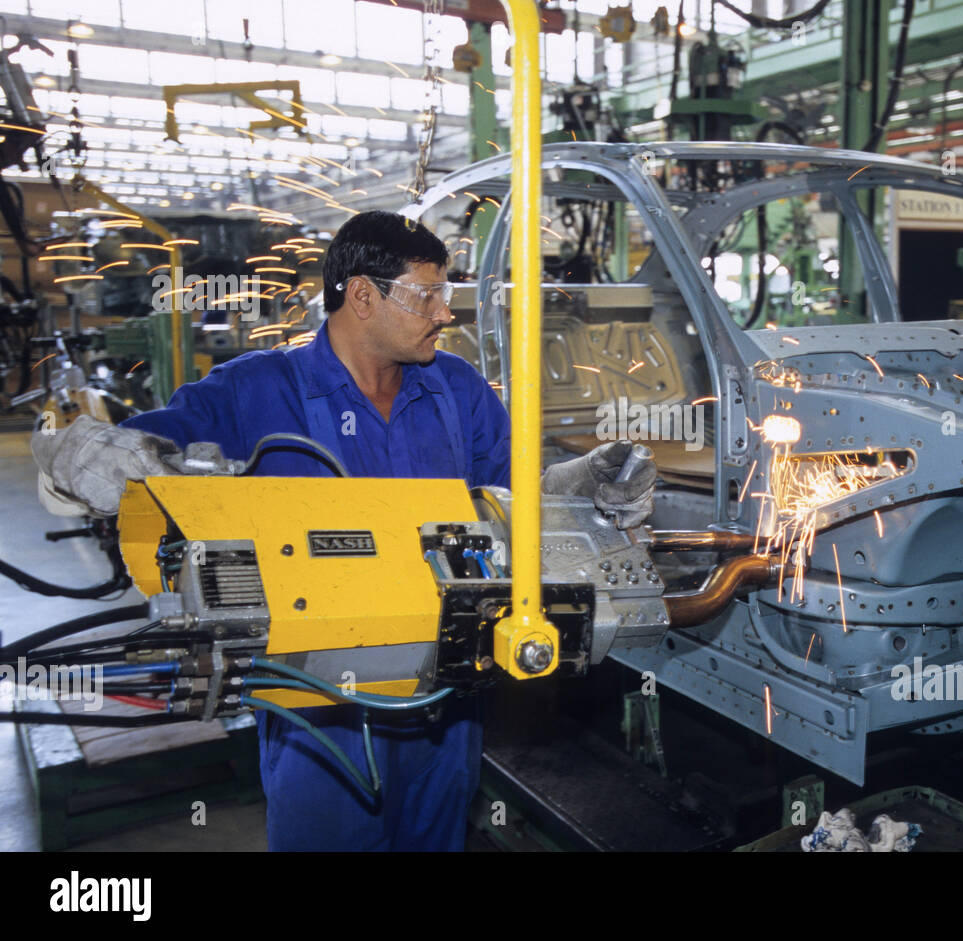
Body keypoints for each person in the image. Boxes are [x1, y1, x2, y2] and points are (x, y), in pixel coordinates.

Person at [31, 210, 658, 850]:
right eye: (427, 294)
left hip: (448, 694)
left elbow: (507, 504)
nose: (445, 313)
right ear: (363, 295)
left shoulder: (458, 389)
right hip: (316, 704)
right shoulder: (255, 389)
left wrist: (578, 491)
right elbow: (135, 456)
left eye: (447, 293)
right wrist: (72, 456)